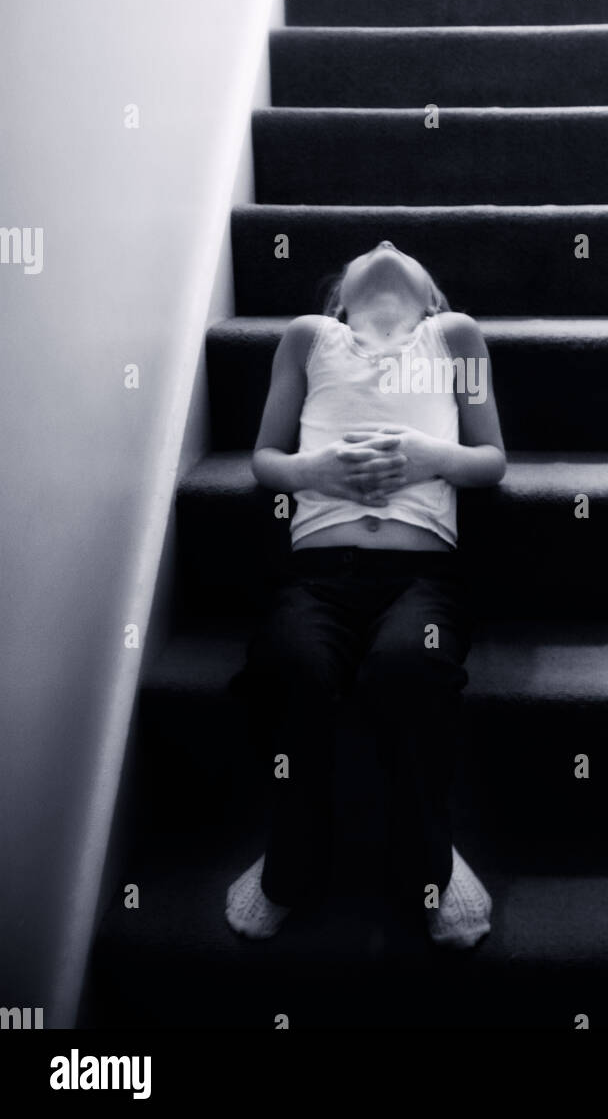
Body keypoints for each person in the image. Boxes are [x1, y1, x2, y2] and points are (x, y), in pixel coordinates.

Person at [225, 239, 506, 948]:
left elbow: (492, 457)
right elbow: (264, 457)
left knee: (407, 669)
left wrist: (430, 456)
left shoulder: (455, 333)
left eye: (404, 250)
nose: (384, 243)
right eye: (368, 249)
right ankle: (289, 863)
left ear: (431, 301)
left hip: (422, 578)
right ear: (339, 301)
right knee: (292, 667)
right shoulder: (309, 336)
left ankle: (430, 862)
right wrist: (313, 469)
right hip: (316, 576)